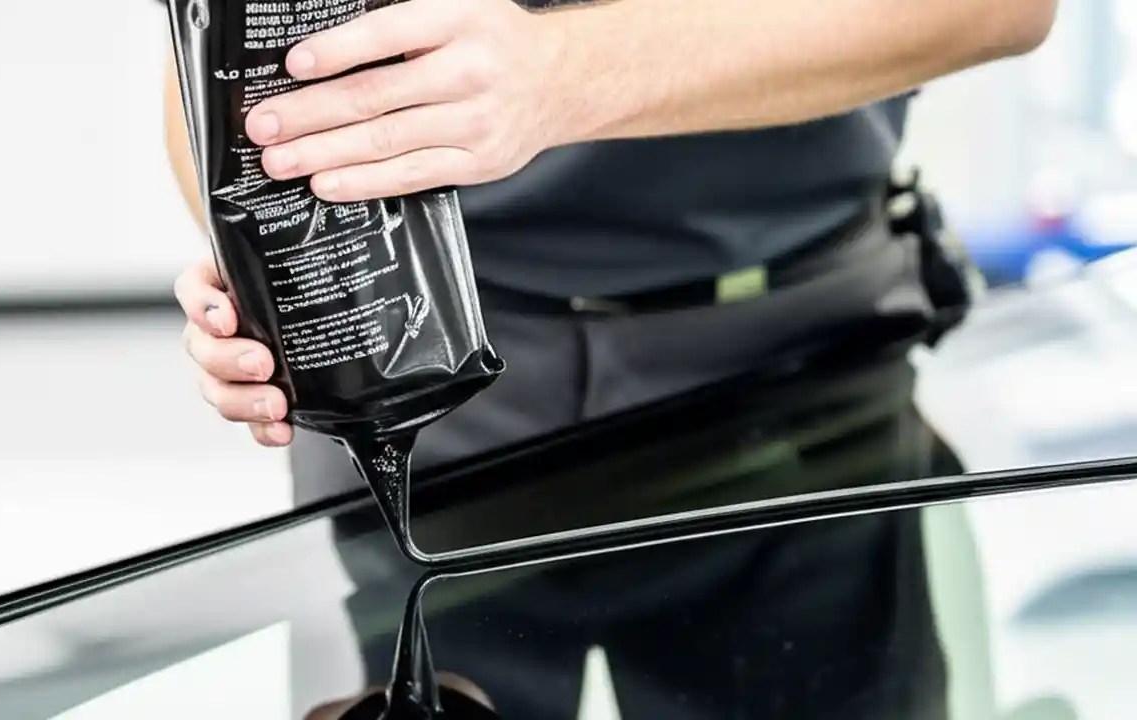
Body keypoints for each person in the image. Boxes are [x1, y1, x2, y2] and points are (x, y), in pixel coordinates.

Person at [165, 0, 1057, 504]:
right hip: (406, 358)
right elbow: (210, 63)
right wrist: (271, 274)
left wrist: (563, 78)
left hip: (799, 361)